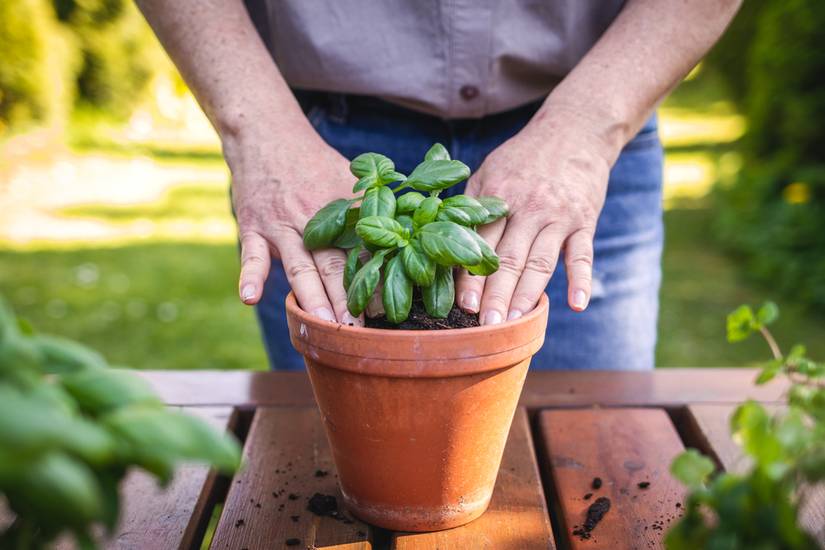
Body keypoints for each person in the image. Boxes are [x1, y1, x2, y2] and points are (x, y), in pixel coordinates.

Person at [137, 0, 741, 371]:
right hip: (307, 147)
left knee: (595, 463)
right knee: (324, 468)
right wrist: (255, 125)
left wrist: (588, 124)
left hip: (585, 129)